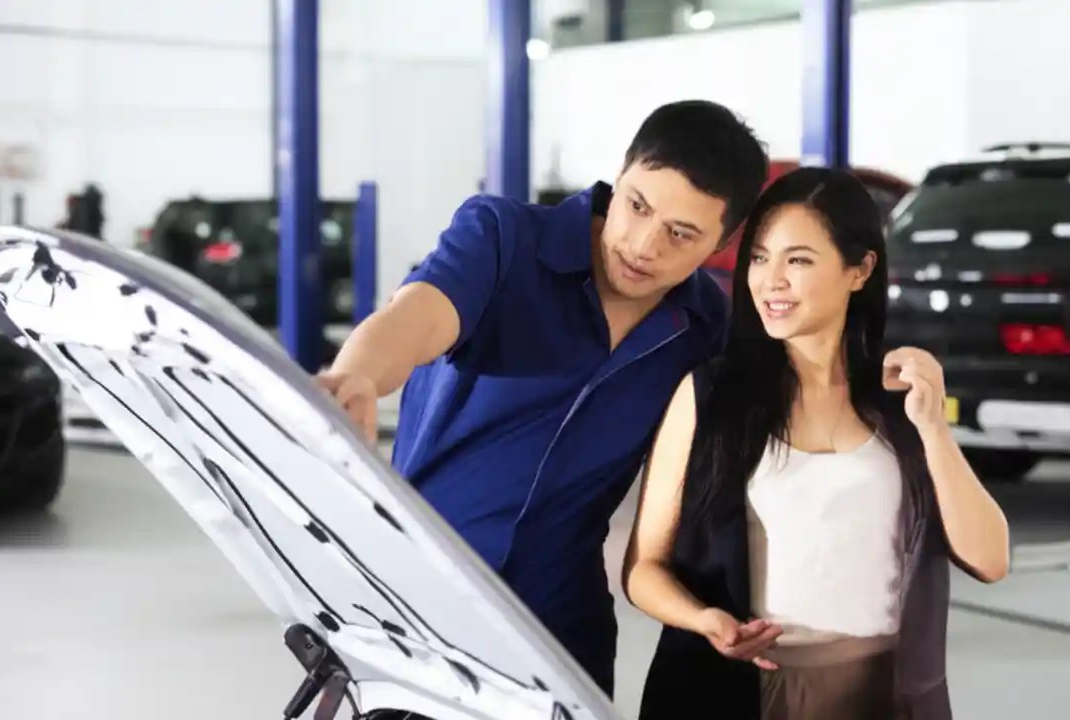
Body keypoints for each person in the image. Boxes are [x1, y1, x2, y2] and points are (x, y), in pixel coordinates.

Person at [316, 99, 769, 697]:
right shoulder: (502, 240)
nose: (643, 245)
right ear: (623, 170)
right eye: (637, 206)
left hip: (560, 633)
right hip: (419, 603)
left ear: (724, 241)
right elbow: (417, 317)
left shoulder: (702, 325)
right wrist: (359, 376)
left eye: (680, 234)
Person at [623, 167, 1011, 720]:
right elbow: (643, 568)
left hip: (886, 695)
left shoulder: (899, 399)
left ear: (860, 270)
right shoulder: (711, 397)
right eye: (759, 257)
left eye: (798, 260)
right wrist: (703, 619)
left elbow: (990, 559)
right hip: (741, 693)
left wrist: (933, 427)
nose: (770, 280)